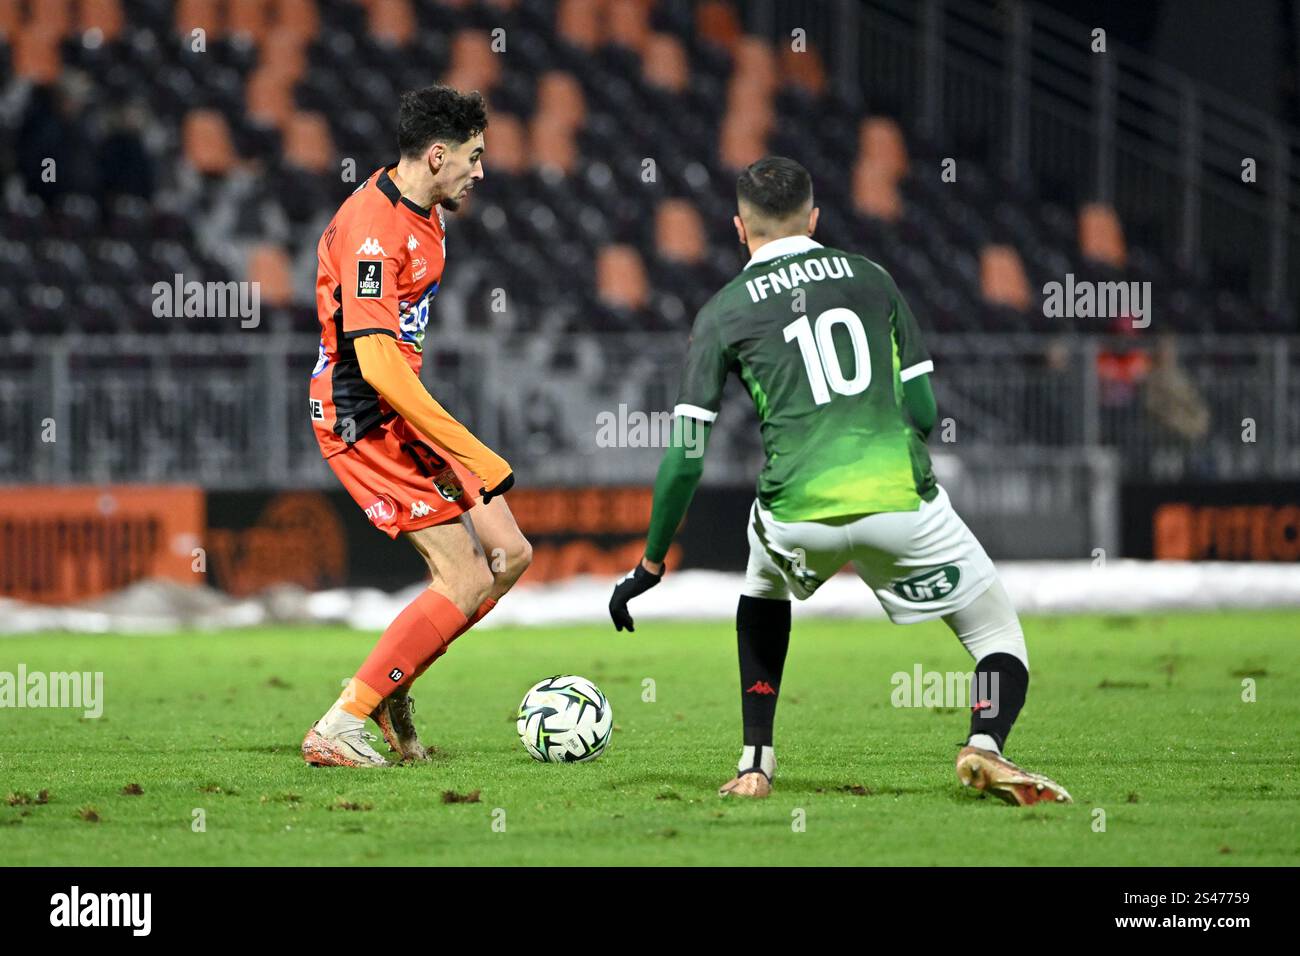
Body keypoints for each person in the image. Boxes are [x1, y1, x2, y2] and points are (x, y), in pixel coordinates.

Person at [609, 156, 1070, 805]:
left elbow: (686, 455)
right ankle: (985, 744)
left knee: (762, 592)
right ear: (815, 217)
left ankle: (755, 764)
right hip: (899, 502)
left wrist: (652, 563)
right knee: (997, 636)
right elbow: (925, 414)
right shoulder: (872, 278)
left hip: (798, 512)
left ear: (739, 228)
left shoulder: (722, 310)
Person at [302, 86, 531, 768]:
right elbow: (375, 364)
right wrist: (475, 451)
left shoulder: (425, 210)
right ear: (438, 155)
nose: (480, 171)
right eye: (473, 157)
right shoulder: (375, 230)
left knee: (510, 555)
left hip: (401, 409)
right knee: (462, 577)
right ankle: (340, 723)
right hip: (363, 415)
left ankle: (393, 680)